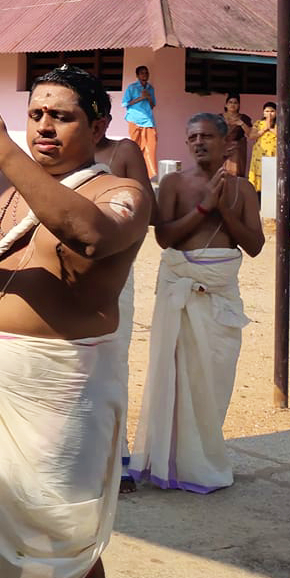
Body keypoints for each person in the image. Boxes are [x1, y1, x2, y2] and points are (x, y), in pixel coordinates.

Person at [0, 67, 151, 578]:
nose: (45, 126)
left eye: (62, 116)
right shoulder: (1, 184)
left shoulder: (123, 193)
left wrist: (1, 149)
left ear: (99, 126)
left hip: (61, 387)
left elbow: (90, 235)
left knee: (60, 538)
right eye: (36, 115)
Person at [129, 113, 263, 494]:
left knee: (213, 380)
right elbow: (165, 238)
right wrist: (203, 208)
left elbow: (254, 245)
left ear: (226, 143)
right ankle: (172, 463)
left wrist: (224, 210)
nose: (199, 142)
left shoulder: (243, 190)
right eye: (192, 137)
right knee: (176, 378)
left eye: (206, 136)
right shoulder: (172, 183)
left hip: (219, 295)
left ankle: (202, 456)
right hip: (181, 289)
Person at [96, 114, 156, 490]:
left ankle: (116, 458)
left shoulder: (123, 151)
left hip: (113, 275)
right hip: (64, 274)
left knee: (112, 363)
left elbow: (146, 210)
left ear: (99, 119)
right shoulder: (53, 156)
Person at [121, 64, 157, 175]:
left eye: (146, 73)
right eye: (142, 73)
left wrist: (148, 97)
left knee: (151, 148)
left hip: (148, 121)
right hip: (135, 120)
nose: (145, 75)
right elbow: (125, 103)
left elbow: (152, 105)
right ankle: (133, 173)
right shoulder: (131, 88)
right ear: (137, 75)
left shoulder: (150, 88)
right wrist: (141, 98)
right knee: (135, 147)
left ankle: (152, 176)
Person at [248, 101, 279, 192]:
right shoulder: (258, 123)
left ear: (276, 113)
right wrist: (265, 129)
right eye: (267, 111)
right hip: (259, 153)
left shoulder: (279, 123)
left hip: (273, 152)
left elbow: (281, 136)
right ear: (263, 113)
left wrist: (270, 127)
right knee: (259, 173)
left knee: (271, 173)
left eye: (272, 111)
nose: (269, 113)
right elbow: (252, 136)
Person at [222, 92, 253, 177]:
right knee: (221, 173)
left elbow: (250, 134)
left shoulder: (244, 118)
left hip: (237, 150)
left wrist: (242, 124)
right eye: (230, 102)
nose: (233, 104)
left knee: (235, 173)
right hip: (221, 149)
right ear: (226, 105)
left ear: (239, 105)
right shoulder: (219, 118)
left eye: (235, 102)